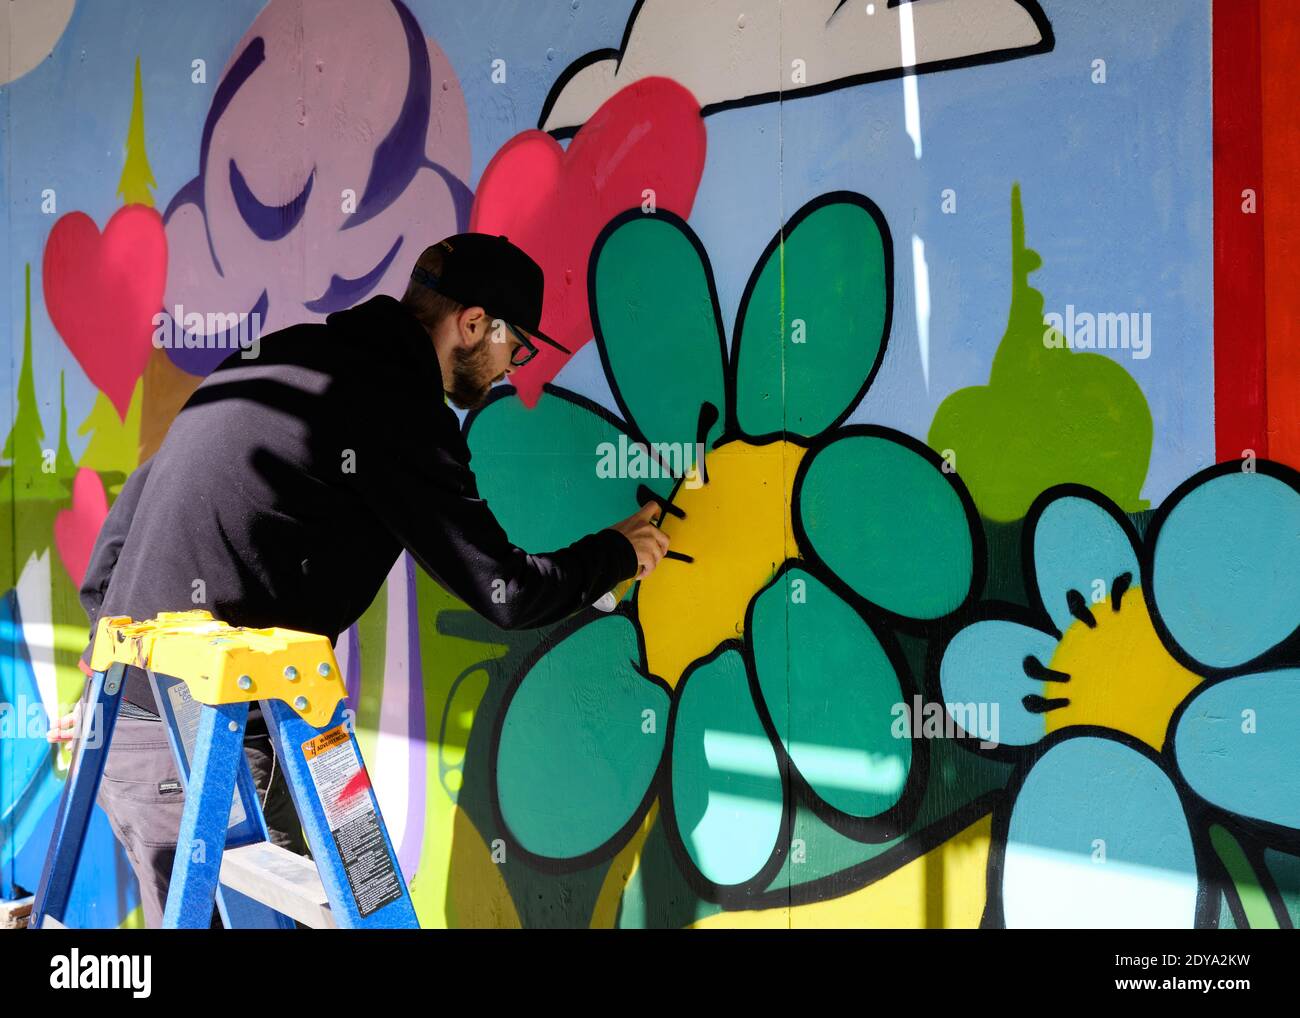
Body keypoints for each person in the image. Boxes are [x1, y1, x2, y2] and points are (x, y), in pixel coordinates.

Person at [47, 233, 670, 928]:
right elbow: (507, 591)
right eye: (513, 347)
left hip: (133, 736)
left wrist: (118, 686)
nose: (510, 371)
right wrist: (617, 553)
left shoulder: (287, 355)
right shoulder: (394, 401)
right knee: (335, 894)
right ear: (472, 324)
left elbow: (123, 528)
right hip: (208, 753)